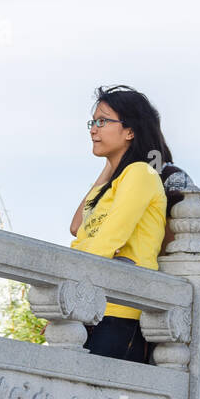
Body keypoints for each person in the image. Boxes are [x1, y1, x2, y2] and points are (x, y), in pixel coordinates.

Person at [68, 85, 173, 364]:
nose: (93, 130)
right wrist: (111, 164)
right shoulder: (117, 180)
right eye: (93, 122)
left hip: (119, 314)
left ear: (130, 131)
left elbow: (106, 242)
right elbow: (77, 227)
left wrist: (69, 296)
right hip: (93, 307)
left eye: (103, 121)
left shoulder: (141, 174)